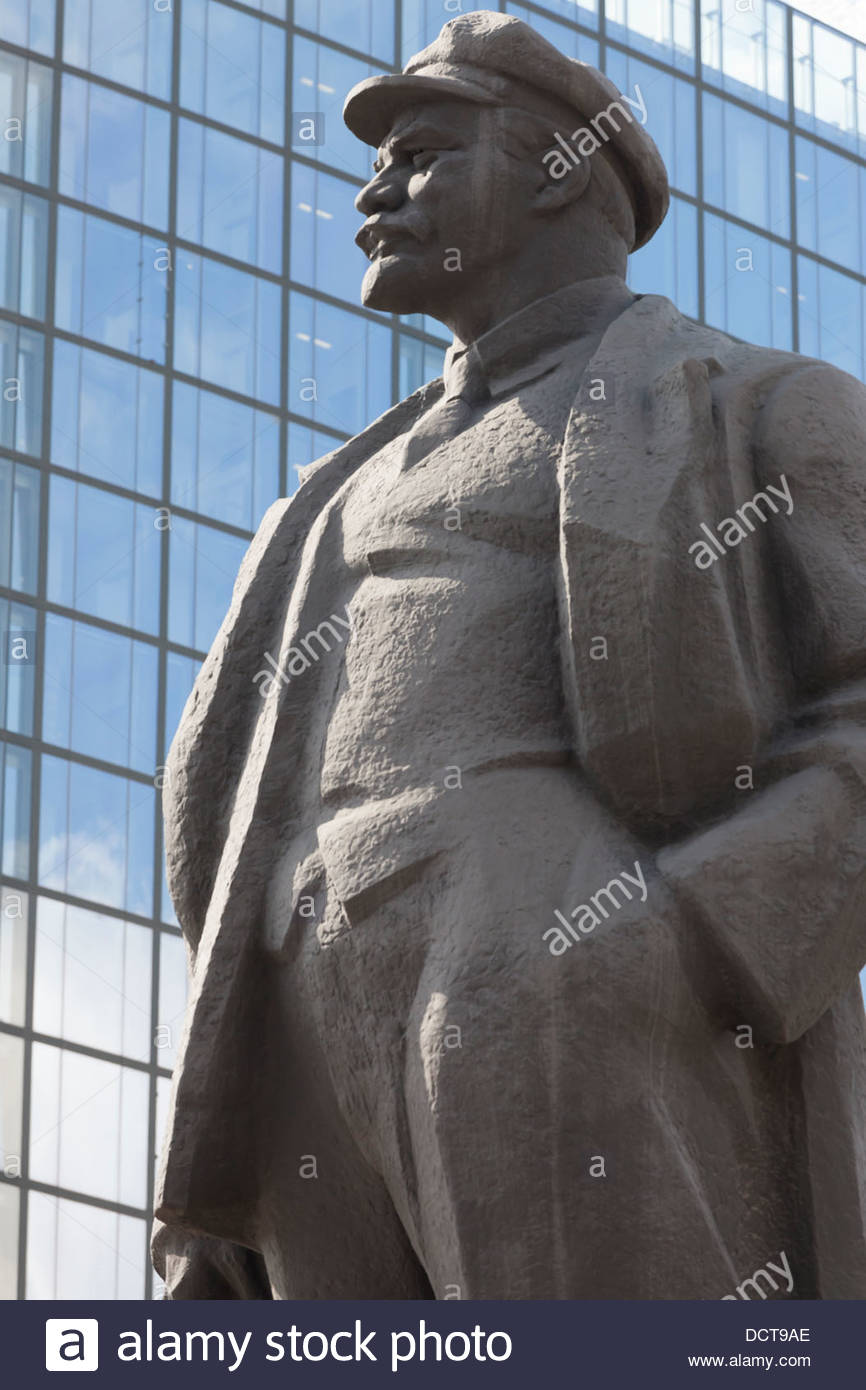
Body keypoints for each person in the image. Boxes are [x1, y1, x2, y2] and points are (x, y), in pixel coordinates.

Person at [153, 12, 866, 1299]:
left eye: (422, 155)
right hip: (300, 980)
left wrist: (689, 934)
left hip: (556, 938)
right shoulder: (328, 491)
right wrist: (224, 1130)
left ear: (554, 169)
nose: (374, 191)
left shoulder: (755, 401)